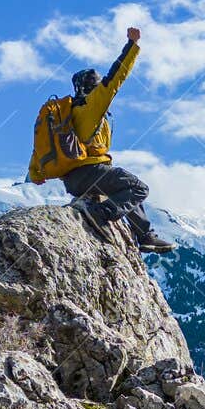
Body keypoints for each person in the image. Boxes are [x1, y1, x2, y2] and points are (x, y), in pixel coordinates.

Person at [44, 26, 174, 253]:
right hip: (90, 174)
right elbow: (116, 77)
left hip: (74, 180)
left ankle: (144, 236)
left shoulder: (67, 114)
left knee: (125, 186)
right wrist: (131, 46)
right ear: (93, 87)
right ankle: (100, 214)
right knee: (138, 188)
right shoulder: (92, 105)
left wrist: (36, 175)